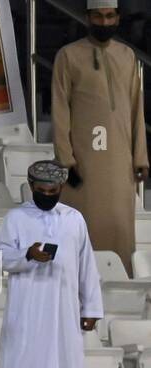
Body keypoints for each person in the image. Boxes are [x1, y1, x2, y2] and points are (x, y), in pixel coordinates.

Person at [0, 160, 103, 368]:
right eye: (41, 191)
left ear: (61, 188)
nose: (47, 196)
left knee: (64, 361)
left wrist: (91, 309)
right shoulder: (16, 217)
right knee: (23, 361)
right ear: (31, 185)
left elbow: (87, 265)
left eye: (52, 192)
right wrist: (28, 254)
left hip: (64, 307)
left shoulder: (74, 219)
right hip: (27, 308)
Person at [52, 0, 148, 273]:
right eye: (98, 16)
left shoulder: (128, 56)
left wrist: (140, 157)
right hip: (82, 166)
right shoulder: (68, 56)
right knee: (83, 235)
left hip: (120, 165)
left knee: (119, 233)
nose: (104, 23)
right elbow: (60, 111)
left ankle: (119, 299)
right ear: (87, 18)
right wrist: (66, 161)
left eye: (109, 16)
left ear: (118, 18)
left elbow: (135, 110)